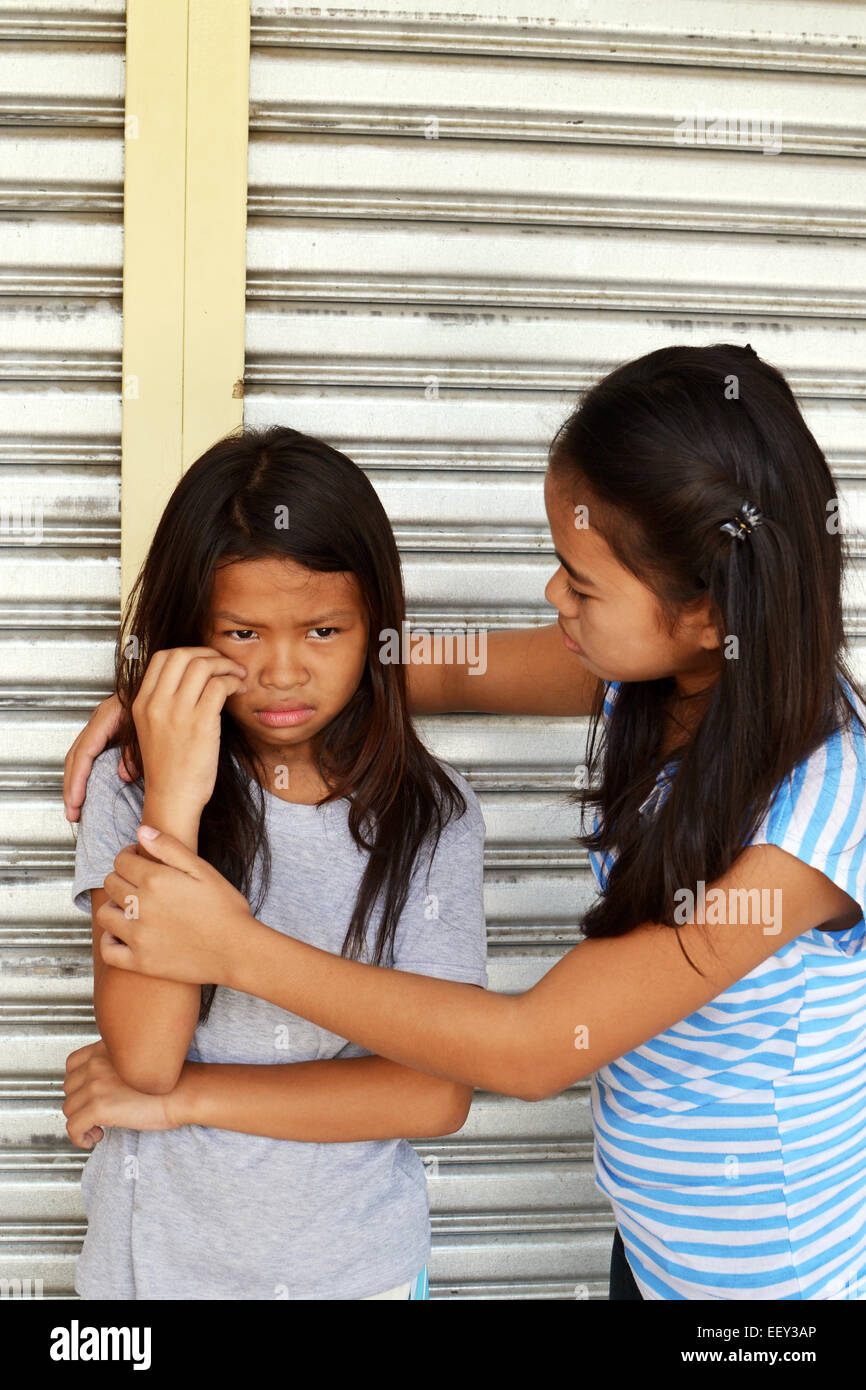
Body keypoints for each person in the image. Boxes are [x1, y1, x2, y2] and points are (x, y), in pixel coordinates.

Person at [65, 344, 866, 1300]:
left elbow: (534, 1049)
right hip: (656, 1246)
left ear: (707, 612)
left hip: (774, 1277)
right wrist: (176, 693)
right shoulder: (661, 669)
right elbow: (404, 660)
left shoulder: (813, 822)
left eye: (580, 581)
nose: (551, 598)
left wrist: (236, 949)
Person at [62, 425, 489, 1300]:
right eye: (242, 633)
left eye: (324, 629)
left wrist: (190, 1099)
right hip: (152, 1277)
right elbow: (142, 1058)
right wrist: (176, 801)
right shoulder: (131, 787)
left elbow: (435, 1096)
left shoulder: (432, 817)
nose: (282, 672)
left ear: (378, 627)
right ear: (188, 632)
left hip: (353, 1272)